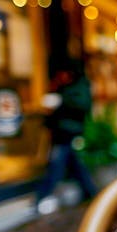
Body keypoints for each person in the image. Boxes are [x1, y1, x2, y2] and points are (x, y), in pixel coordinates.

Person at [36, 62, 98, 212]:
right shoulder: (61, 86)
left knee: (57, 163)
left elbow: (83, 105)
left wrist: (61, 101)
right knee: (76, 165)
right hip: (62, 132)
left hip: (69, 132)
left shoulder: (80, 86)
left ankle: (43, 196)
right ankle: (92, 193)